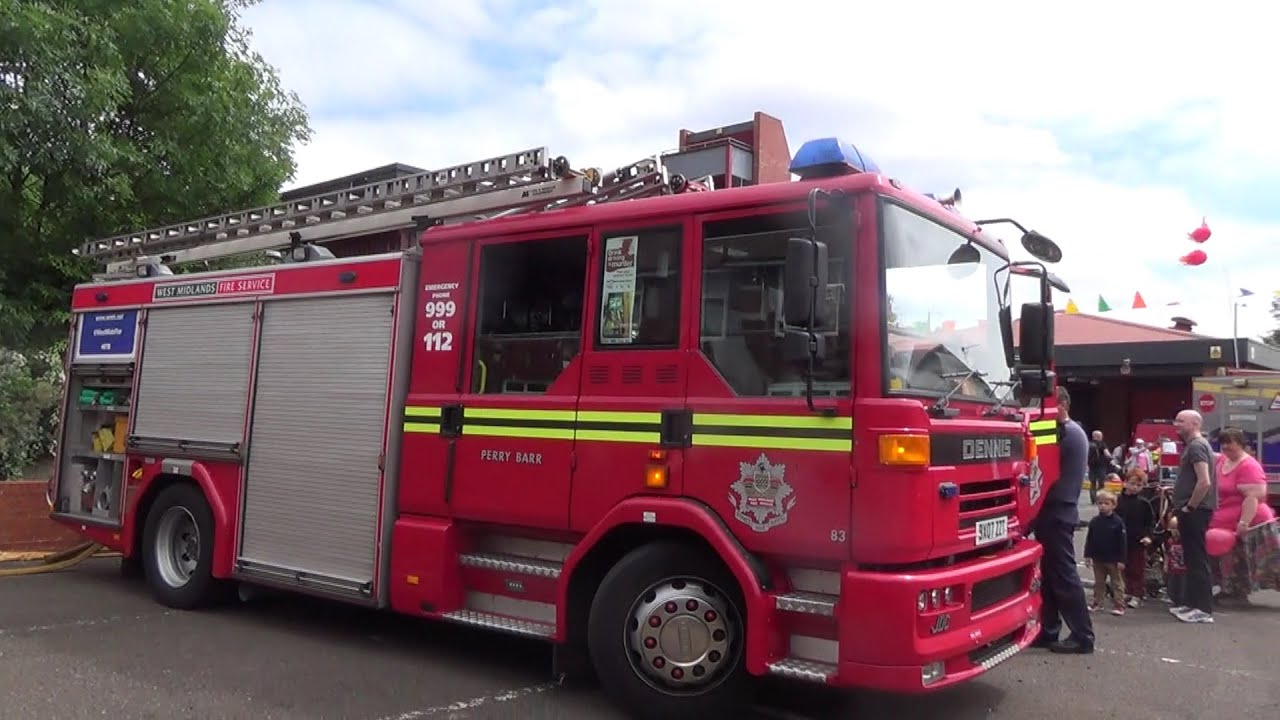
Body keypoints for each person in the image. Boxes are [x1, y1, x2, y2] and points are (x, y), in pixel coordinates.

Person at [1031, 385, 1095, 653]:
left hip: (1056, 510)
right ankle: (1049, 629)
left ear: (1063, 405)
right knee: (1050, 575)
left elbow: (1034, 450)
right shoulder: (1072, 432)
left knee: (1064, 576)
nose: (1040, 412)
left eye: (1046, 406)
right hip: (1057, 510)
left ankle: (1082, 635)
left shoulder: (1064, 433)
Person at [1208, 427, 1280, 604]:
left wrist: (1243, 523)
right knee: (1233, 561)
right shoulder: (1222, 461)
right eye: (1222, 442)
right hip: (1226, 524)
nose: (1225, 446)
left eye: (1229, 443)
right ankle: (1233, 592)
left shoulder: (1249, 466)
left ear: (1240, 444)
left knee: (1271, 565)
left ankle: (1235, 592)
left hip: (1253, 524)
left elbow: (1253, 497)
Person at [1169, 409, 1218, 624]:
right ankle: (1191, 603)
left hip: (1196, 511)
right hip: (1193, 510)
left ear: (1195, 423)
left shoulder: (1197, 446)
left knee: (1197, 559)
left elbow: (1204, 481)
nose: (1176, 424)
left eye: (1181, 421)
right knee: (1190, 557)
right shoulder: (1195, 446)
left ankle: (1203, 609)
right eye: (1176, 419)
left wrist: (1190, 507)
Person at [1116, 467, 1158, 607]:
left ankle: (1137, 594)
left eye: (1139, 485)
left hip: (1138, 541)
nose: (1135, 487)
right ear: (1125, 482)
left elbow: (1150, 522)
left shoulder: (1144, 503)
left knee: (1137, 569)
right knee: (1123, 568)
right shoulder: (1117, 501)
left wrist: (1148, 536)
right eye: (1132, 484)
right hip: (1120, 541)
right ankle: (1127, 591)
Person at [1084, 490, 1128, 615]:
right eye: (1100, 503)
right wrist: (1088, 555)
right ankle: (1098, 602)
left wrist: (1122, 559)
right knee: (1099, 583)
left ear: (1113, 505)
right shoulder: (1094, 521)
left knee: (1117, 583)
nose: (1103, 506)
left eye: (1106, 503)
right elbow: (1090, 539)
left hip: (1113, 559)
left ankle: (1119, 605)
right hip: (1098, 558)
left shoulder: (1118, 522)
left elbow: (1122, 542)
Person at [1163, 514, 1187, 608]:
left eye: (1176, 529)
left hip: (1184, 569)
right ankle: (1174, 601)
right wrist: (1165, 564)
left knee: (1182, 587)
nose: (1174, 532)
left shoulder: (1186, 542)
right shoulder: (1170, 541)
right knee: (1172, 587)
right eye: (1172, 529)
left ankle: (1182, 602)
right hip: (1173, 568)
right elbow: (1167, 553)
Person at [1087, 431, 1112, 503]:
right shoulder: (1102, 444)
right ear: (1099, 437)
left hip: (1091, 466)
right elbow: (1107, 454)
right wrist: (1111, 458)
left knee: (1093, 484)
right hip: (1101, 466)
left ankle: (1093, 499)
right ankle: (1100, 499)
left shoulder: (1089, 444)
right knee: (1101, 483)